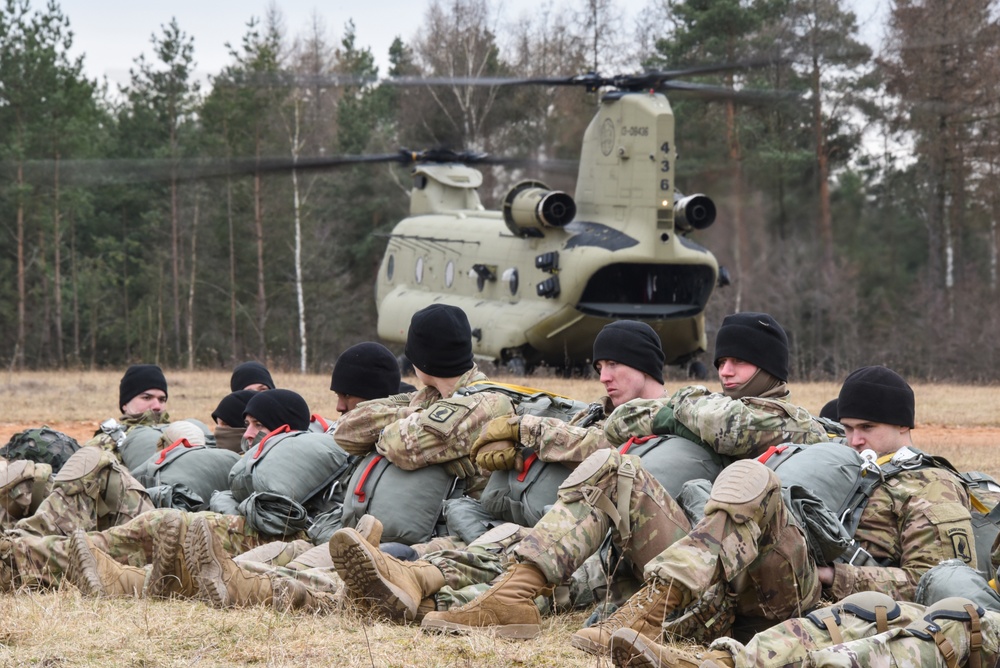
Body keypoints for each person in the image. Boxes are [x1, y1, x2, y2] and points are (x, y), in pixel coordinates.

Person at [335, 313, 830, 635]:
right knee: (528, 541)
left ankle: (439, 588)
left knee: (603, 497)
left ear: (769, 367)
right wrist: (529, 432)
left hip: (755, 574)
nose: (724, 372)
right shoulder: (698, 412)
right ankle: (422, 583)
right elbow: (607, 433)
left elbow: (732, 427)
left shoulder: (796, 424)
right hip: (685, 554)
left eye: (739, 362)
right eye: (721, 361)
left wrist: (672, 405)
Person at [580, 365, 977, 661]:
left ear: (904, 425)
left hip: (827, 601)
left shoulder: (931, 485)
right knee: (730, 482)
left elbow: (935, 587)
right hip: (776, 573)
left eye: (867, 428)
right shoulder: (839, 460)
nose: (855, 440)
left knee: (759, 482)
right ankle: (655, 607)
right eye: (847, 428)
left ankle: (658, 608)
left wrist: (835, 576)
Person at [329, 319, 674, 622]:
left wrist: (527, 430)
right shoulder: (592, 414)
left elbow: (607, 451)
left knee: (536, 574)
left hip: (610, 549)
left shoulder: (671, 417)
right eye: (599, 366)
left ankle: (426, 601)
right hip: (545, 528)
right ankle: (397, 579)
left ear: (644, 364)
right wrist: (510, 453)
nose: (603, 377)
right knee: (485, 549)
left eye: (613, 364)